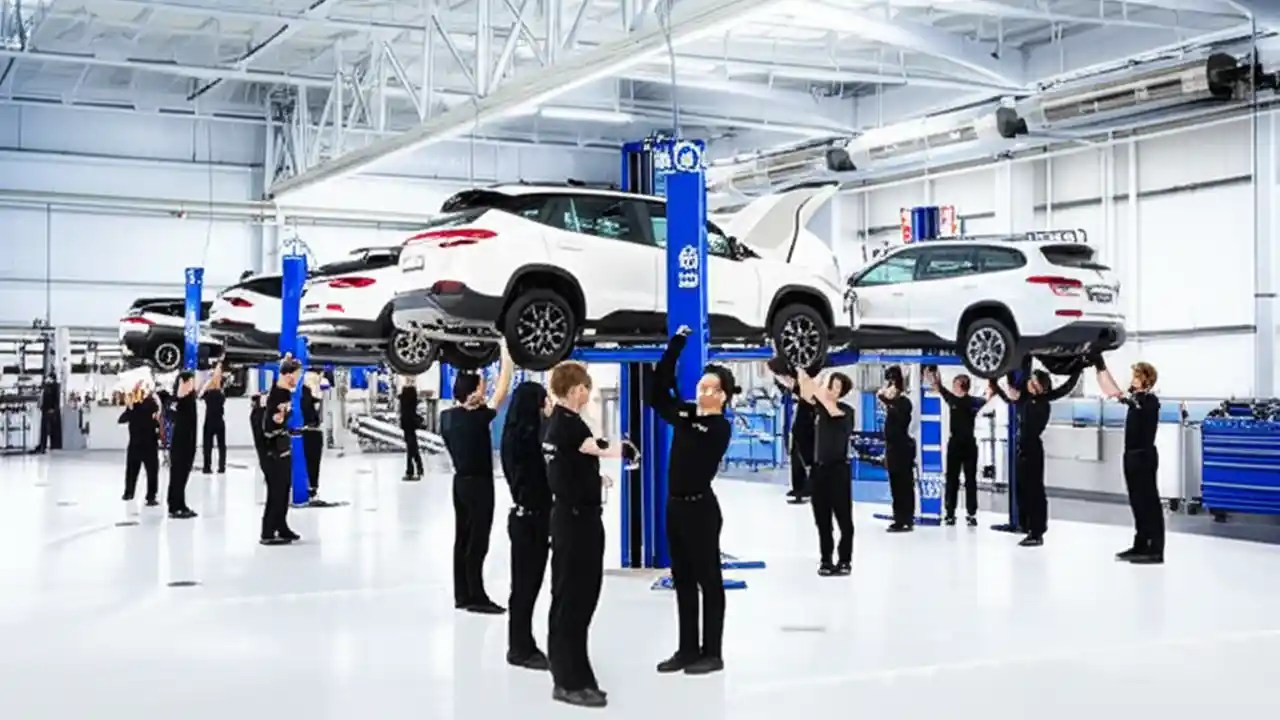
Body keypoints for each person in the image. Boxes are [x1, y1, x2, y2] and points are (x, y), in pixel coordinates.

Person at [544, 361, 632, 709]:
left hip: (568, 517)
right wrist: (628, 448)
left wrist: (593, 480)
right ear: (574, 389)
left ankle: (573, 674)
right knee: (576, 600)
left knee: (569, 598)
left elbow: (568, 463)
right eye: (584, 386)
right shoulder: (569, 425)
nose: (588, 392)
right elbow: (597, 447)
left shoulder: (554, 425)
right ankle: (569, 681)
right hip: (578, 523)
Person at [651, 327, 736, 676]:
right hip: (676, 506)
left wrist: (685, 414)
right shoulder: (687, 416)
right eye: (701, 387)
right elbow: (658, 393)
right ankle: (687, 649)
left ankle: (712, 652)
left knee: (708, 580)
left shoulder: (718, 427)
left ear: (724, 397)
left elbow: (690, 424)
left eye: (711, 389)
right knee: (682, 578)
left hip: (702, 510)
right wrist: (675, 347)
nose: (703, 392)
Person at [440, 344, 514, 615]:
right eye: (482, 386)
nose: (486, 390)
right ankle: (477, 595)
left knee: (462, 538)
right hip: (480, 485)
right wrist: (507, 356)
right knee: (478, 541)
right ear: (473, 393)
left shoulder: (446, 417)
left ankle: (462, 594)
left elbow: (468, 408)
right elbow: (502, 391)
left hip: (459, 483)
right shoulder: (479, 417)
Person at [989, 366, 1082, 547]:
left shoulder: (1042, 400)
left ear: (1040, 386)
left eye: (1032, 382)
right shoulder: (1025, 398)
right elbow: (1010, 396)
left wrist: (1077, 371)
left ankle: (1037, 531)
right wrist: (996, 383)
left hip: (1032, 450)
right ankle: (1024, 524)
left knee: (1034, 492)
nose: (1028, 384)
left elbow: (1066, 388)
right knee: (1022, 489)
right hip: (1022, 449)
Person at [501, 380, 555, 670]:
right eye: (544, 401)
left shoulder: (513, 436)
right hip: (532, 519)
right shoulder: (531, 440)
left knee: (522, 587)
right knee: (526, 587)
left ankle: (522, 643)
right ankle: (519, 648)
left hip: (524, 517)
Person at [1093, 356, 1164, 564]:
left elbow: (1118, 392)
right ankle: (1140, 543)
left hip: (1143, 456)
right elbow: (1112, 391)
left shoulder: (1149, 401)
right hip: (1132, 456)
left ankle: (1154, 548)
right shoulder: (1136, 401)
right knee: (1137, 502)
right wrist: (1099, 367)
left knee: (1148, 502)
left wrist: (1102, 366)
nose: (1133, 380)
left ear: (1146, 380)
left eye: (1137, 377)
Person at [795, 365, 856, 575]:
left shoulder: (845, 412)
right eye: (830, 386)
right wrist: (801, 371)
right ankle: (826, 560)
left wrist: (816, 388)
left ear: (841, 391)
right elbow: (805, 392)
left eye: (836, 387)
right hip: (820, 471)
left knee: (844, 520)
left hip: (839, 471)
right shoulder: (819, 408)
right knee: (822, 520)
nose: (831, 390)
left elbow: (830, 408)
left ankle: (845, 559)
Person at [928, 368, 986, 527]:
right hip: (955, 444)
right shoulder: (952, 400)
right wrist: (934, 372)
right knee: (952, 479)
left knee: (970, 480)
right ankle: (950, 512)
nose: (953, 387)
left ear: (961, 386)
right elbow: (939, 387)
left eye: (955, 384)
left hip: (968, 445)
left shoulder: (973, 403)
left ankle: (971, 512)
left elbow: (988, 395)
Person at [261, 356, 303, 545]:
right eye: (295, 375)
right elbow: (270, 424)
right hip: (274, 451)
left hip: (282, 448)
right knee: (276, 491)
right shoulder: (279, 395)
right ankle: (268, 531)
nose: (297, 379)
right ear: (287, 376)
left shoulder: (284, 392)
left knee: (284, 489)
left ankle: (281, 525)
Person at [770, 357, 815, 505]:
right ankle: (798, 487)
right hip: (797, 433)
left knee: (806, 460)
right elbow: (790, 385)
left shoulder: (809, 393)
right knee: (796, 459)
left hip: (806, 433)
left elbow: (794, 385)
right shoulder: (799, 395)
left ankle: (807, 490)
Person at [878, 366, 916, 532]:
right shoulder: (892, 406)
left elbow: (900, 418)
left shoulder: (903, 403)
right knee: (896, 485)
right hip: (893, 450)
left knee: (904, 485)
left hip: (903, 450)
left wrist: (886, 399)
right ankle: (899, 516)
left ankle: (905, 518)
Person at [119, 380, 162, 506]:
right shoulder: (143, 404)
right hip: (142, 443)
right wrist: (130, 407)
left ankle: (136, 494)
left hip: (143, 443)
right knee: (143, 470)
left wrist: (131, 407)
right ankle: (142, 495)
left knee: (144, 470)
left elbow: (122, 419)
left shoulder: (146, 404)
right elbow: (122, 419)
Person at [167, 371, 199, 519]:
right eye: (191, 381)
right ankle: (175, 506)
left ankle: (181, 503)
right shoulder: (179, 397)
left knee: (184, 473)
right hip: (181, 440)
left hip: (189, 438)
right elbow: (173, 411)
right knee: (178, 474)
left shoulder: (190, 396)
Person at [200, 362, 227, 475]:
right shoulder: (220, 393)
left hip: (211, 421)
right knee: (219, 445)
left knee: (209, 445)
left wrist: (211, 381)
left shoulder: (210, 393)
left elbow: (201, 394)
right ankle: (220, 467)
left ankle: (208, 466)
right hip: (217, 421)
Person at [301, 370, 324, 497]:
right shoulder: (305, 391)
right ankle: (311, 486)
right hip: (309, 433)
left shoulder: (305, 390)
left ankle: (311, 486)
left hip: (310, 432)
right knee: (311, 462)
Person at [399, 377, 425, 481]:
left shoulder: (406, 398)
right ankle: (418, 468)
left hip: (407, 424)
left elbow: (402, 399)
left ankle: (412, 470)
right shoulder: (411, 398)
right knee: (413, 448)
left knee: (411, 449)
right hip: (410, 425)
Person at [32, 375, 61, 453]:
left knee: (46, 428)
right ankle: (42, 445)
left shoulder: (53, 386)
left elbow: (56, 398)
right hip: (45, 409)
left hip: (49, 410)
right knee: (43, 428)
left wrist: (53, 409)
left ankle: (43, 446)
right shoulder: (46, 387)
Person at [249, 392, 269, 478]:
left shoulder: (255, 413)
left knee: (263, 457)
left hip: (260, 440)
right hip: (263, 439)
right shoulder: (262, 412)